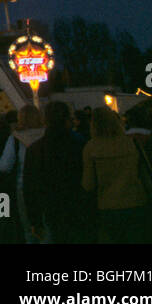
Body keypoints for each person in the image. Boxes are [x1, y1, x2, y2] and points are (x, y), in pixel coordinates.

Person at [82, 106, 152, 243]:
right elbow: (144, 171)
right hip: (136, 200)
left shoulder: (91, 148)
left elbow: (88, 184)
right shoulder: (131, 143)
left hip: (108, 205)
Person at [23, 101, 87, 243]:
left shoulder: (35, 149)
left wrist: (34, 220)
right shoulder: (79, 145)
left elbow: (29, 187)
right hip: (77, 207)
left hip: (50, 209)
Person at [0, 104, 44, 244]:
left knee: (29, 230)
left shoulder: (15, 139)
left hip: (23, 185)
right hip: (46, 184)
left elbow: (4, 166)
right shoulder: (46, 134)